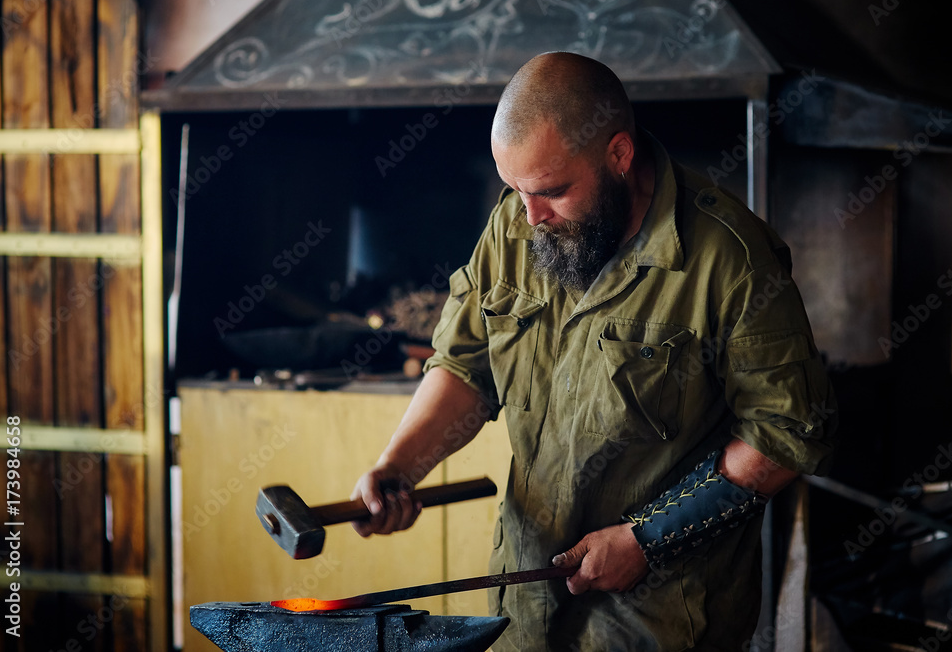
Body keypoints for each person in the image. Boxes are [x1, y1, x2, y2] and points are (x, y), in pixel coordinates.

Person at [351, 51, 838, 650]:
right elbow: (467, 364)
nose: (530, 217)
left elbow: (784, 433)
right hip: (523, 598)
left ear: (619, 154)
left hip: (657, 616)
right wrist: (401, 466)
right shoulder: (517, 223)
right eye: (516, 191)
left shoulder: (730, 261)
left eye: (552, 191)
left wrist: (648, 539)